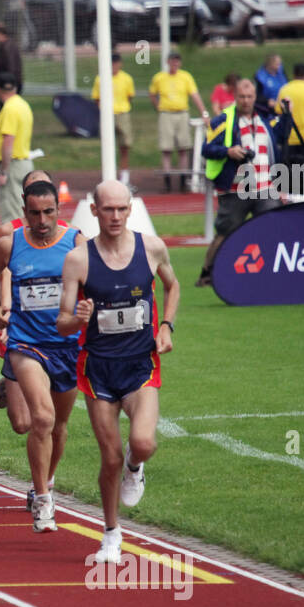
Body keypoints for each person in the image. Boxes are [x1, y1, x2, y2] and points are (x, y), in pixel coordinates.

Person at [57, 180, 179, 564]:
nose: (114, 216)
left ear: (130, 209)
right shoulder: (79, 260)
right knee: (108, 457)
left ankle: (136, 467)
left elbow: (172, 287)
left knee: (143, 443)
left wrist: (166, 326)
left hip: (140, 366)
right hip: (98, 370)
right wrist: (76, 319)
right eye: (107, 209)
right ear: (94, 211)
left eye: (121, 209)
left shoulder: (152, 248)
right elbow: (61, 323)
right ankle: (111, 533)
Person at [0, 179, 83, 531]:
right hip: (26, 344)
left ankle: (48, 480)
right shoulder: (11, 245)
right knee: (42, 418)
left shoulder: (76, 244)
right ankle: (42, 499)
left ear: (59, 210)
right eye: (35, 213)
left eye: (49, 212)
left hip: (69, 346)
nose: (42, 221)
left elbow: (96, 283)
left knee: (60, 424)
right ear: (24, 212)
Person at [195, 78, 291, 287]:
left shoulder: (265, 119)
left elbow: (283, 134)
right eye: (241, 97)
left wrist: (287, 113)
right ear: (235, 97)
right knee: (225, 231)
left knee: (271, 229)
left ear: (255, 97)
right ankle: (206, 272)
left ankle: (269, 271)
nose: (246, 101)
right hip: (237, 187)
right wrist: (228, 151)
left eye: (249, 97)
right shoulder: (224, 120)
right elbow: (206, 148)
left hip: (265, 187)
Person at [148, 50, 210, 193]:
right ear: (168, 62)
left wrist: (204, 112)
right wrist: (159, 108)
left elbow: (195, 95)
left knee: (184, 147)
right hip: (166, 114)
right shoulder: (159, 78)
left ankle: (183, 181)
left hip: (182, 113)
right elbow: (152, 94)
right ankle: (168, 181)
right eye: (172, 60)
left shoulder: (185, 77)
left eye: (177, 60)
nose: (175, 63)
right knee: (166, 149)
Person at [0, 72, 33, 224]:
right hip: (23, 162)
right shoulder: (22, 105)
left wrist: (4, 170)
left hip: (13, 165)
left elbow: (8, 140)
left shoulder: (9, 109)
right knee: (21, 208)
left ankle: (13, 245)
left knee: (12, 213)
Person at [90, 52, 135, 186]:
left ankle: (124, 176)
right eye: (112, 63)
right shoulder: (100, 78)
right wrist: (104, 111)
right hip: (107, 115)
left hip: (122, 113)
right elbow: (96, 98)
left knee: (124, 145)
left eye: (116, 63)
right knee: (107, 145)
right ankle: (108, 175)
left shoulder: (126, 78)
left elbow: (130, 96)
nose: (114, 66)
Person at [277, 63, 304, 168]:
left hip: (290, 136)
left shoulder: (284, 90)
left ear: (294, 74)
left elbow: (278, 111)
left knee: (291, 175)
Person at [0, 22, 23, 95]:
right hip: (6, 83)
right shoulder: (4, 46)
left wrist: (8, 85)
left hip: (9, 85)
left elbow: (11, 67)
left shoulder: (7, 47)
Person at [253, 52, 287, 117]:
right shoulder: (260, 77)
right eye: (277, 64)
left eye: (280, 64)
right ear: (271, 64)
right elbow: (256, 95)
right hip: (267, 111)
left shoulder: (281, 73)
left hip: (283, 107)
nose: (280, 66)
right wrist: (267, 101)